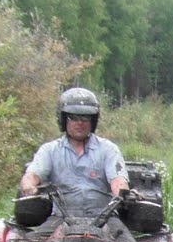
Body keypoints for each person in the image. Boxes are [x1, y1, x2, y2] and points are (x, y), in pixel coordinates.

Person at [19, 87, 129, 216]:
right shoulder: (49, 150)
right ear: (63, 119)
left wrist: (122, 192)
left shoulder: (109, 149)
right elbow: (33, 175)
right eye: (73, 117)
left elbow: (118, 181)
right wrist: (29, 185)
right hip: (60, 218)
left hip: (104, 217)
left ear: (93, 121)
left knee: (125, 237)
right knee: (28, 237)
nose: (80, 122)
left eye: (85, 117)